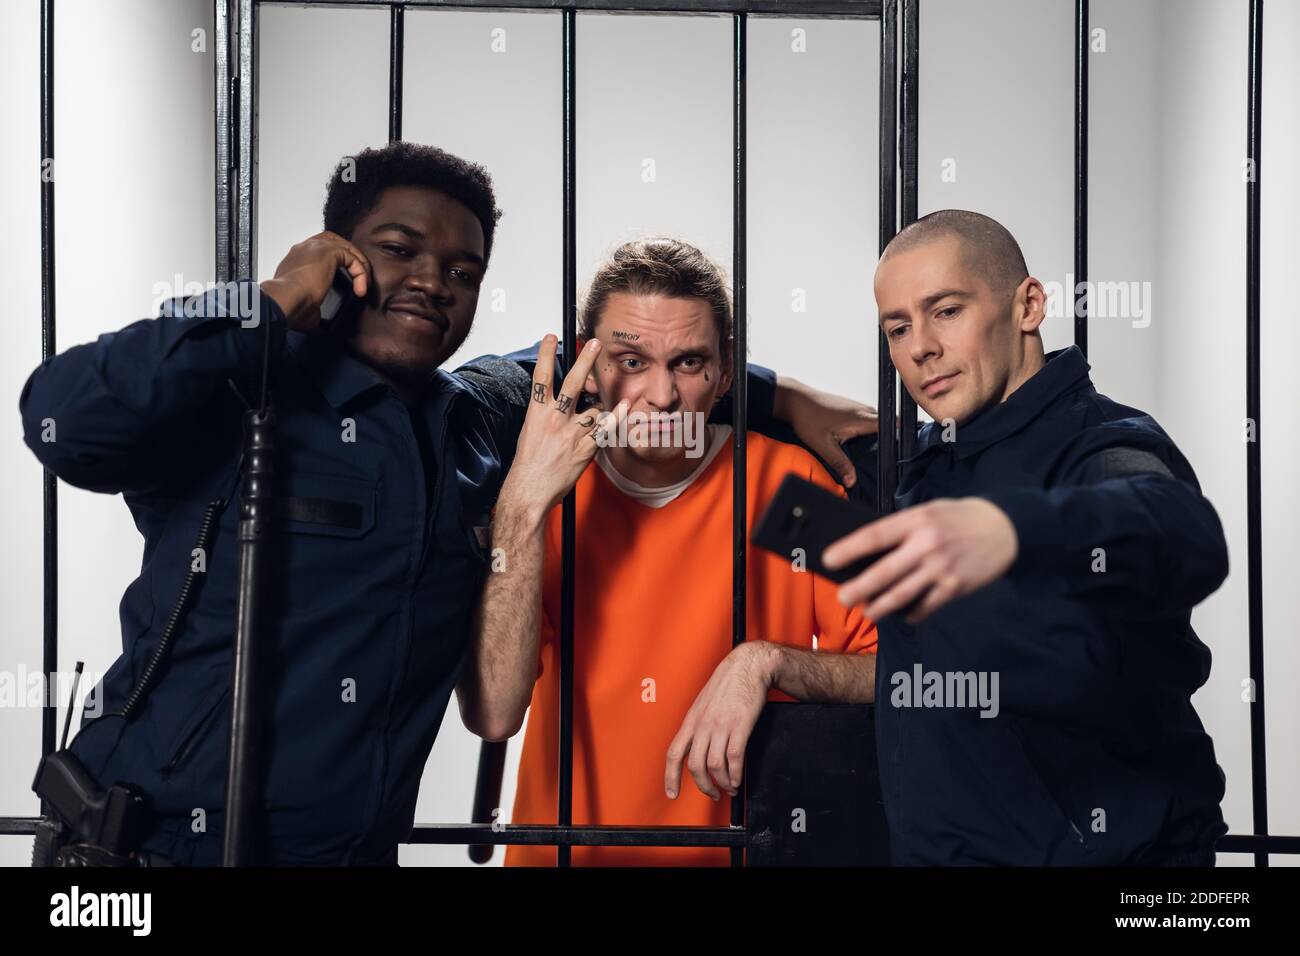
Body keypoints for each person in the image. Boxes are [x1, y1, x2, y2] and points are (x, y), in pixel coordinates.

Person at [17, 142, 872, 866]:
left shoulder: (487, 416)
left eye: (461, 270)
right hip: (147, 851)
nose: (431, 283)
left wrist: (783, 396)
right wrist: (272, 301)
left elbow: (922, 653)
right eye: (396, 249)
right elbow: (62, 419)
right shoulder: (247, 392)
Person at [821, 209, 1229, 866]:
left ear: (1028, 306)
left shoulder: (1105, 442)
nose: (919, 345)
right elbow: (700, 393)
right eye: (898, 327)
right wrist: (776, 394)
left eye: (946, 311)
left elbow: (1177, 531)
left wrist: (1013, 532)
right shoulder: (917, 465)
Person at [457, 238, 880, 866]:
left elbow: (898, 669)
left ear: (727, 370)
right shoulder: (543, 490)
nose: (660, 395)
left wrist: (766, 662)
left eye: (687, 362)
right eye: (631, 360)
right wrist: (521, 506)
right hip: (565, 856)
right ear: (590, 364)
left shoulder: (783, 489)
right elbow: (493, 714)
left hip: (740, 855)